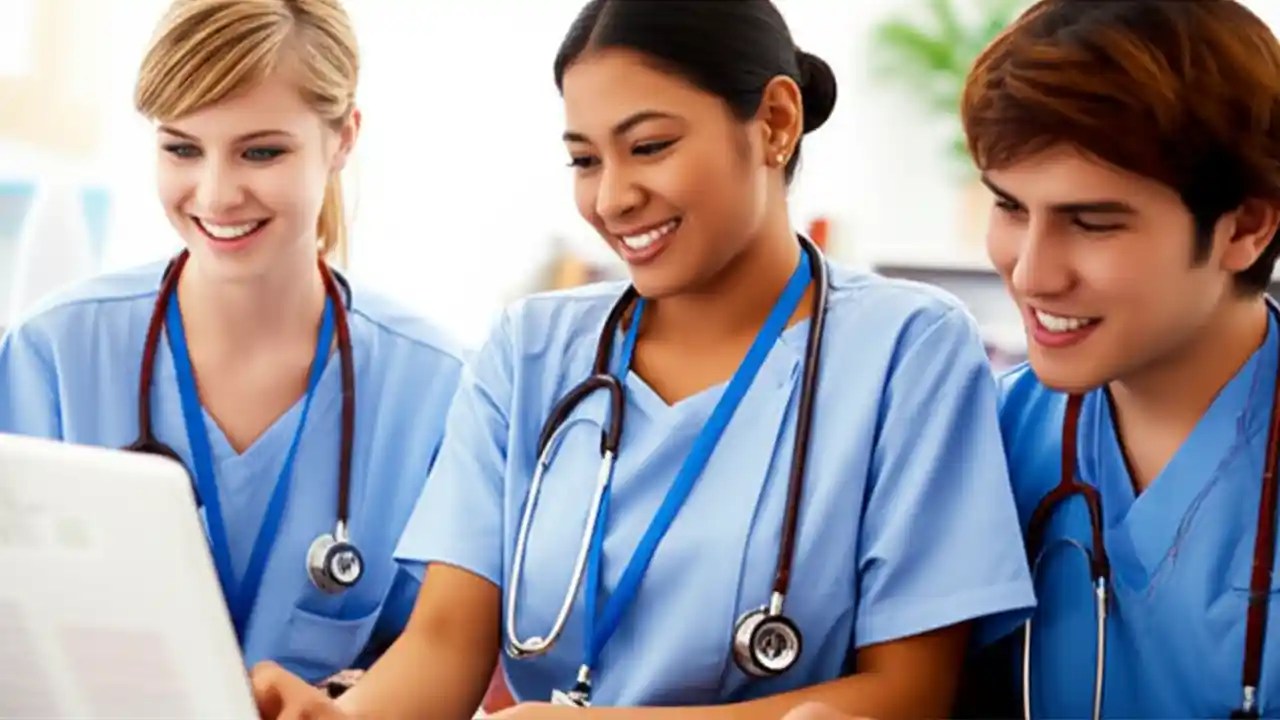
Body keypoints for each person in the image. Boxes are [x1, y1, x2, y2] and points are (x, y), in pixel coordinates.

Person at [249, 1, 1035, 717]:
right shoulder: (529, 351)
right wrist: (336, 718)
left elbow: (908, 694)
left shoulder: (907, 349)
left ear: (775, 121)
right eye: (585, 161)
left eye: (649, 147)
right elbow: (444, 645)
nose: (612, 198)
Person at [0, 0, 464, 685]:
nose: (216, 195)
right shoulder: (55, 356)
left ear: (342, 139)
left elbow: (437, 657)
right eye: (182, 148)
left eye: (262, 152)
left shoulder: (436, 390)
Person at [951, 1, 1280, 718]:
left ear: (1245, 228)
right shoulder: (978, 441)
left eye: (1092, 222)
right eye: (1010, 208)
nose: (1032, 274)